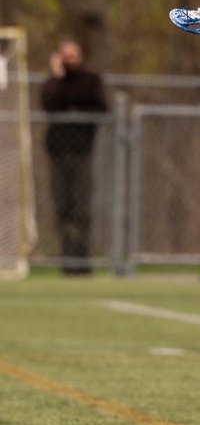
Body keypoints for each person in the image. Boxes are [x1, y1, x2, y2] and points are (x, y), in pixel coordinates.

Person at [40, 38, 109, 275]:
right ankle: (67, 261)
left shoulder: (91, 81)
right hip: (58, 152)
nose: (70, 61)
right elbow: (49, 104)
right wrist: (58, 76)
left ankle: (83, 261)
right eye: (65, 57)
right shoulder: (53, 83)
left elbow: (102, 107)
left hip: (82, 152)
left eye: (73, 56)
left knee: (82, 209)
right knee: (63, 209)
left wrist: (75, 112)